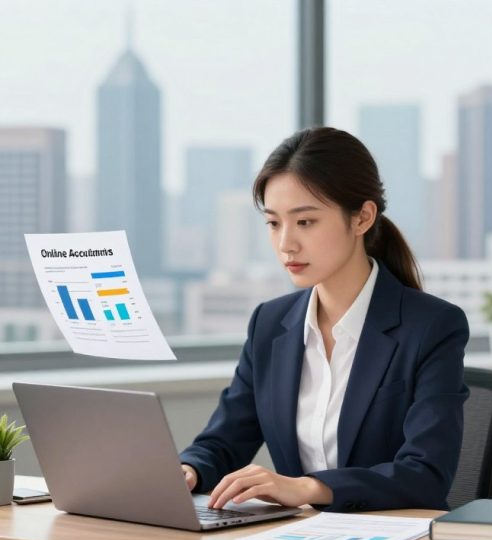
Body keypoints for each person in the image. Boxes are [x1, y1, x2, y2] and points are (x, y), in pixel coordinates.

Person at [179, 127, 469, 512]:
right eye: (273, 223)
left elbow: (425, 475)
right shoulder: (270, 323)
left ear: (362, 218)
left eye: (305, 222)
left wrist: (308, 488)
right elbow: (225, 440)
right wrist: (189, 470)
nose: (286, 244)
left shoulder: (432, 327)